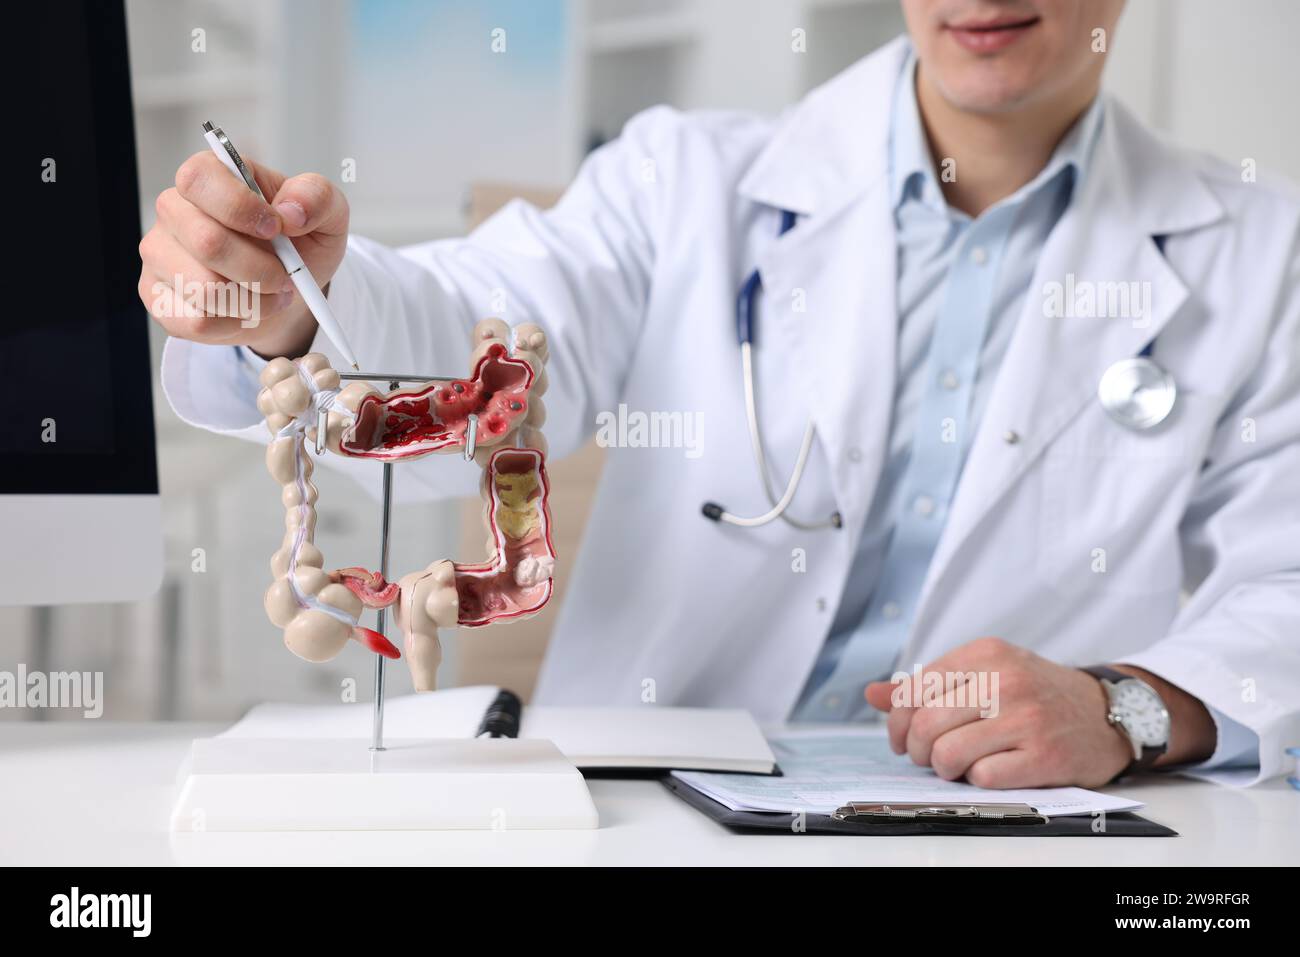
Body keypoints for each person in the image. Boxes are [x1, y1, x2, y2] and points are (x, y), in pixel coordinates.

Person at [139, 0, 1300, 788]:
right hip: (653, 817)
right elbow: (481, 348)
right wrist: (302, 305)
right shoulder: (681, 178)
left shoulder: (1261, 253)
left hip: (1018, 834)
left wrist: (1131, 706)